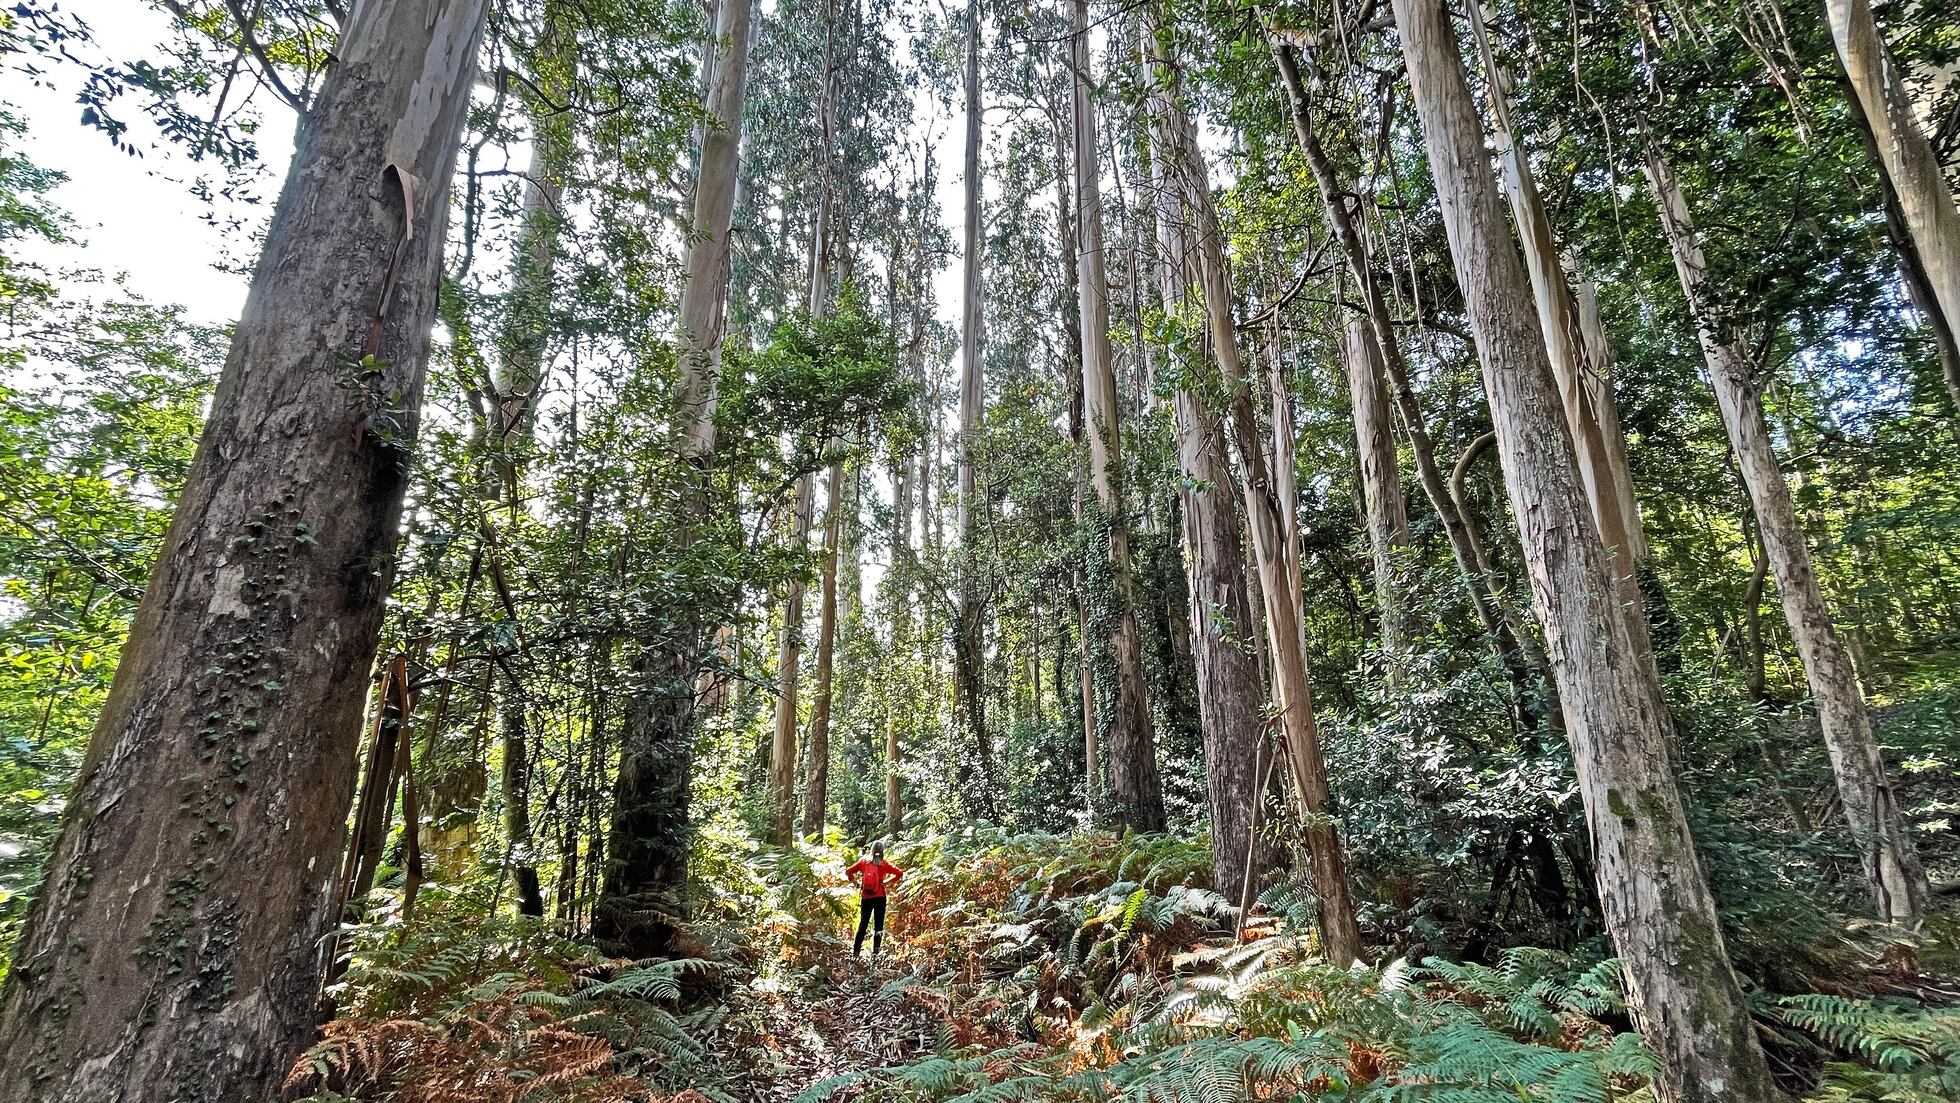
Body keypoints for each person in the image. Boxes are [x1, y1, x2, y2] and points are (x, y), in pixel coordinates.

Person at [845, 842, 903, 958]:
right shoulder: (884, 864)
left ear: (871, 850)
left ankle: (855, 953)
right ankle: (875, 954)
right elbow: (899, 873)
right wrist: (887, 882)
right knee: (878, 926)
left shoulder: (863, 862)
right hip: (880, 897)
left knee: (863, 924)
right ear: (882, 851)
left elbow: (848, 871)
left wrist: (857, 884)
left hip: (866, 897)